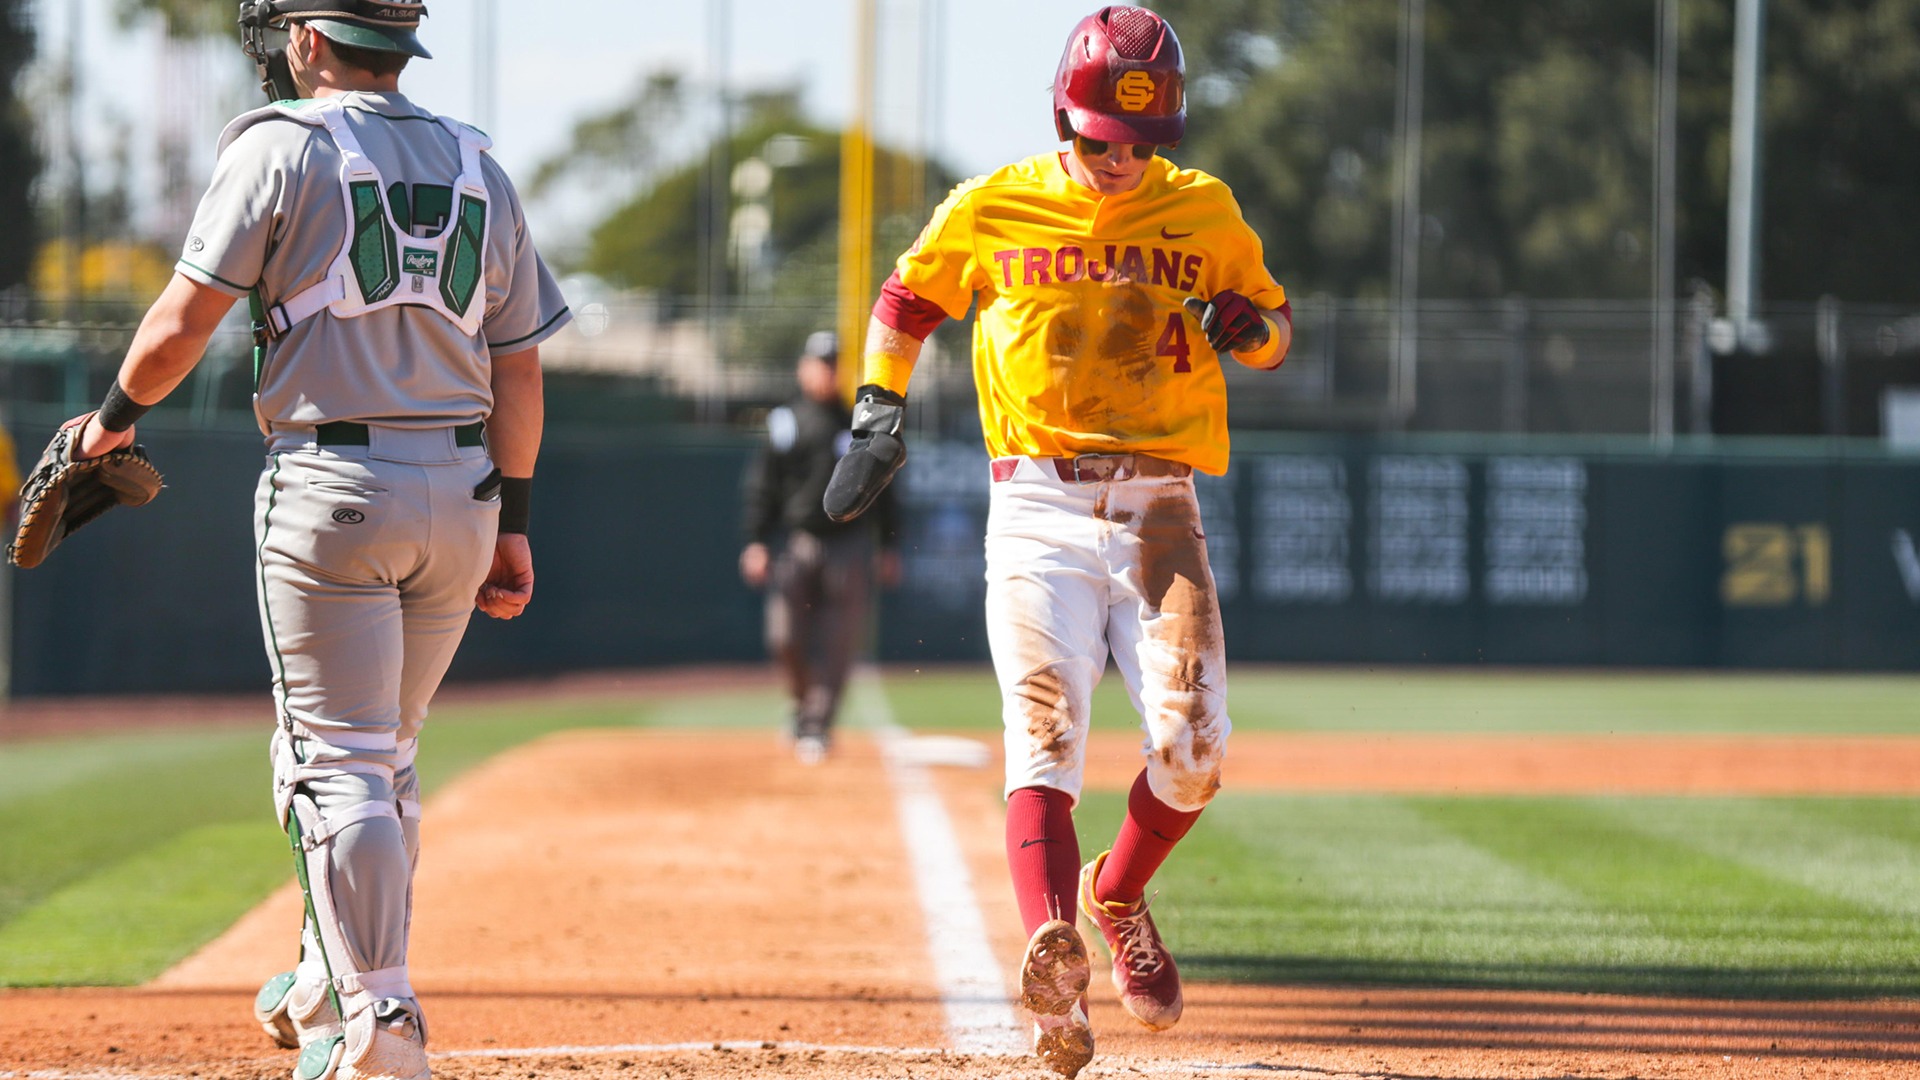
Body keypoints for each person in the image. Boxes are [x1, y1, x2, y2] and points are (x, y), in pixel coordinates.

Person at [51, 3, 570, 1078]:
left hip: (333, 484)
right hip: (465, 489)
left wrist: (109, 420)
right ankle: (329, 982)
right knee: (386, 758)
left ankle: (382, 1020)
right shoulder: (480, 163)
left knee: (333, 761)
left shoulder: (282, 147)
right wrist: (512, 523)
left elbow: (187, 318)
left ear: (308, 41)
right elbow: (519, 369)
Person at [822, 7, 1290, 1077]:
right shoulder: (995, 203)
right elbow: (906, 297)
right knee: (1046, 740)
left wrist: (1251, 331)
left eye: (1142, 140)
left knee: (1196, 750)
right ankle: (1051, 954)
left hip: (1160, 507)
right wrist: (875, 410)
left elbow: (1274, 324)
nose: (1120, 157)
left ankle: (1116, 894)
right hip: (1036, 505)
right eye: (1098, 137)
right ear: (1061, 119)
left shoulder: (1203, 208)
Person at [740, 331, 901, 763]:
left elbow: (884, 489)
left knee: (839, 642)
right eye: (820, 362)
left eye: (833, 362)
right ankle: (802, 703)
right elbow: (762, 487)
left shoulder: (857, 422)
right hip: (798, 541)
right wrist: (756, 540)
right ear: (804, 368)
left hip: (849, 545)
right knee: (783, 636)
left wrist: (888, 546)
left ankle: (818, 725)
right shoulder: (786, 421)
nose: (827, 370)